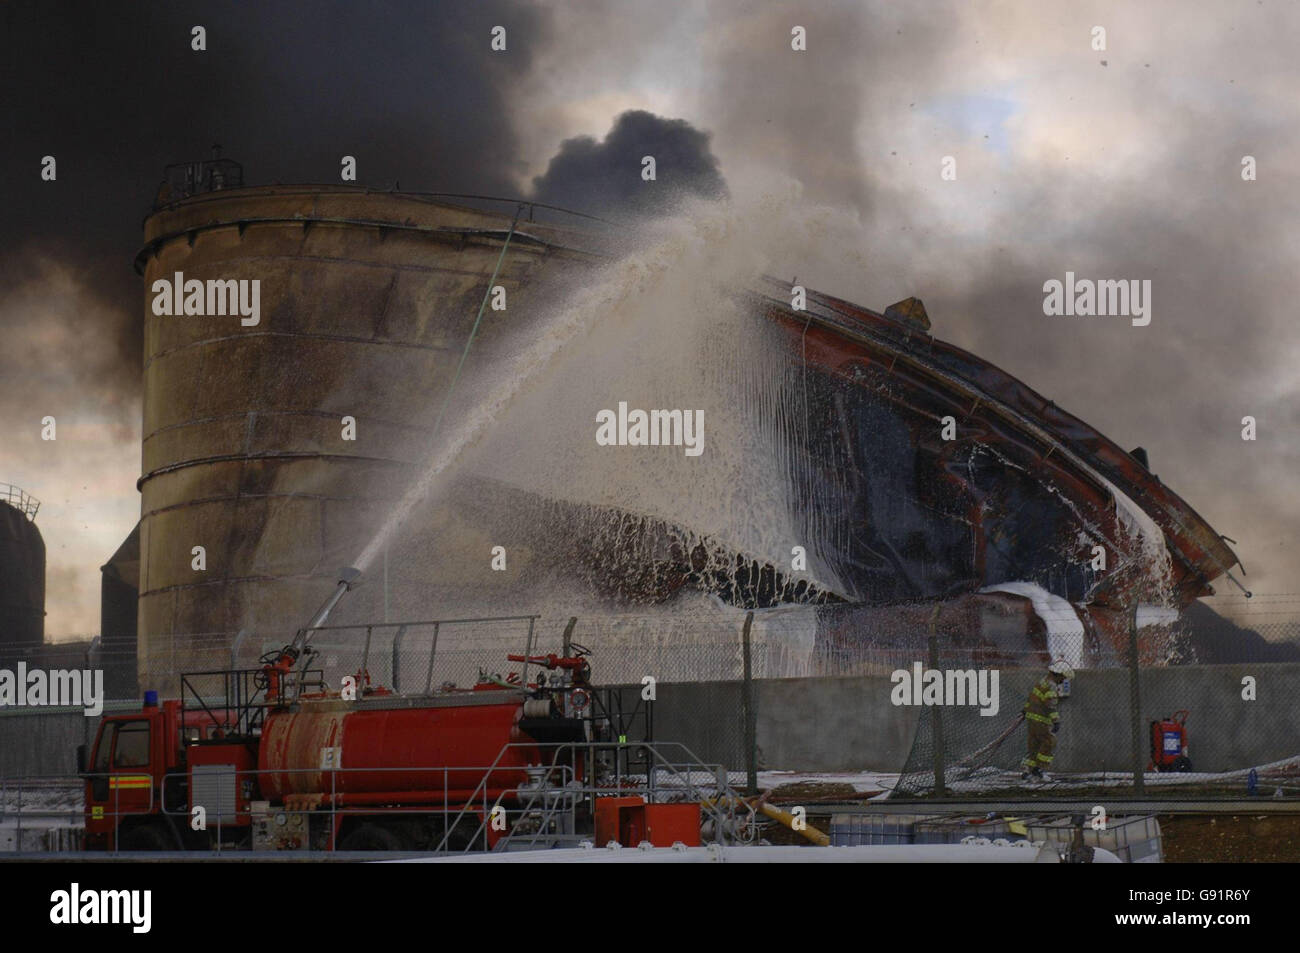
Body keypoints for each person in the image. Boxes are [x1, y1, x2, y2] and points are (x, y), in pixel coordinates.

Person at [1021, 660, 1073, 780]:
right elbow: (1051, 706)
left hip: (1031, 718)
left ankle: (1027, 770)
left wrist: (1025, 710)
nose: (1063, 681)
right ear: (1059, 674)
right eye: (1063, 678)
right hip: (1041, 720)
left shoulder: (1042, 682)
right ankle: (1039, 769)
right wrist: (1056, 721)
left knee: (1034, 745)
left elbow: (1031, 697)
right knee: (1049, 742)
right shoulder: (1051, 686)